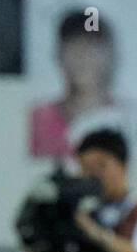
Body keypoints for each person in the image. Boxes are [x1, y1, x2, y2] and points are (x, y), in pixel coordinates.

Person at [30, 10, 121, 160]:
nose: (82, 56)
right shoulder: (37, 121)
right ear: (58, 55)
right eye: (74, 46)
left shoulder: (128, 120)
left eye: (92, 47)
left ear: (110, 55)